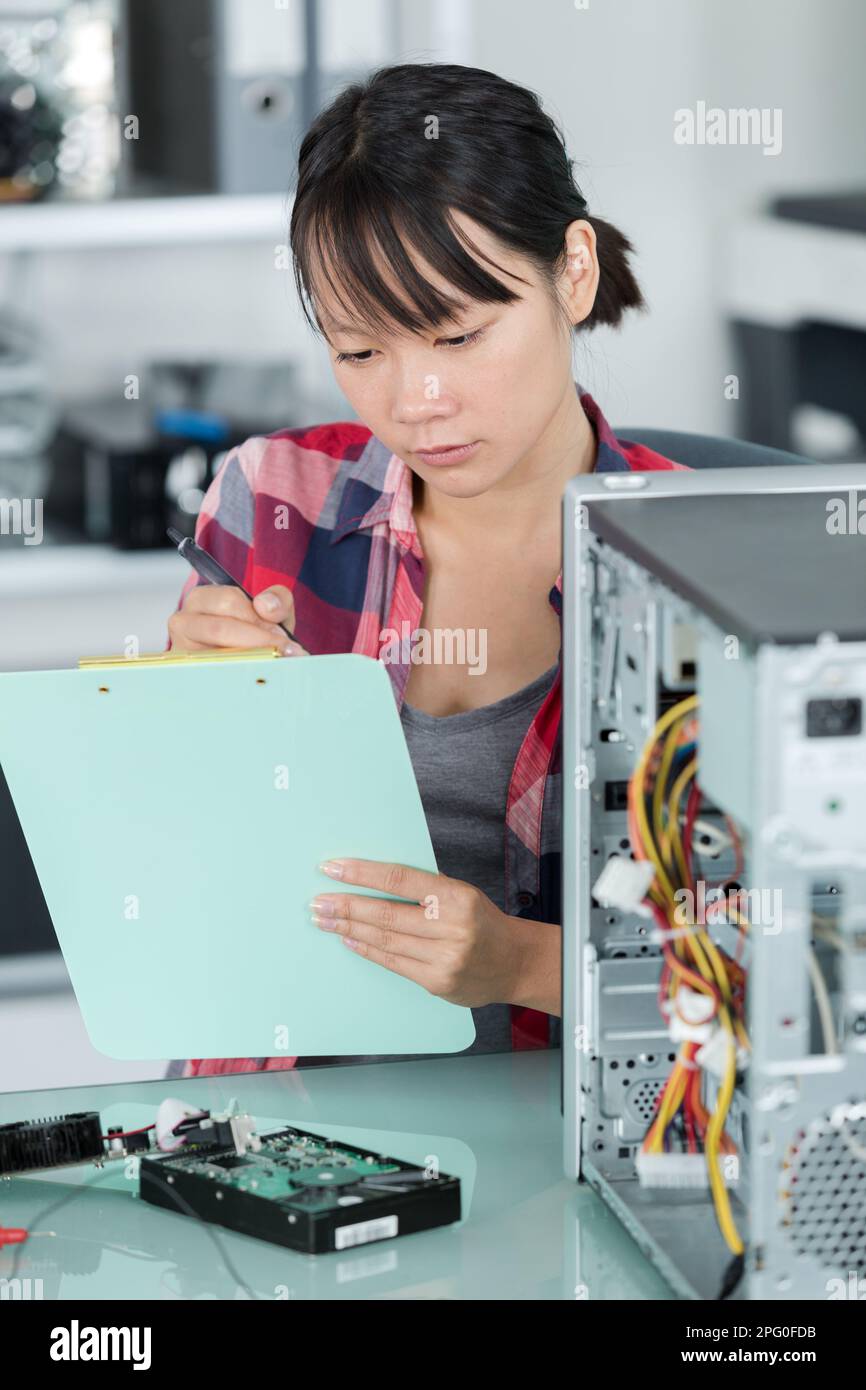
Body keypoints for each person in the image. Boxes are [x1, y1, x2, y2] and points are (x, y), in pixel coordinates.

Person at [164, 62, 687, 1080]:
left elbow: (796, 975)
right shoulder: (270, 498)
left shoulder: (699, 559)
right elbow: (171, 881)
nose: (415, 402)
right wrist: (175, 718)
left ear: (571, 272)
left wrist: (522, 963)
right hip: (271, 1130)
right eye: (359, 353)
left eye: (458, 335)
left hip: (572, 1153)